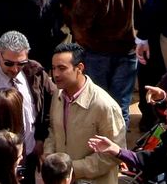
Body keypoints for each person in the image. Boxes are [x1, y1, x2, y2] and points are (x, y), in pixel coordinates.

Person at [45, 42, 124, 184]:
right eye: (54, 68)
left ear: (79, 68)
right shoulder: (58, 94)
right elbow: (52, 130)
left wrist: (71, 169)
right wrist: (50, 157)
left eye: (62, 68)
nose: (55, 74)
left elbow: (114, 154)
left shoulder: (104, 105)